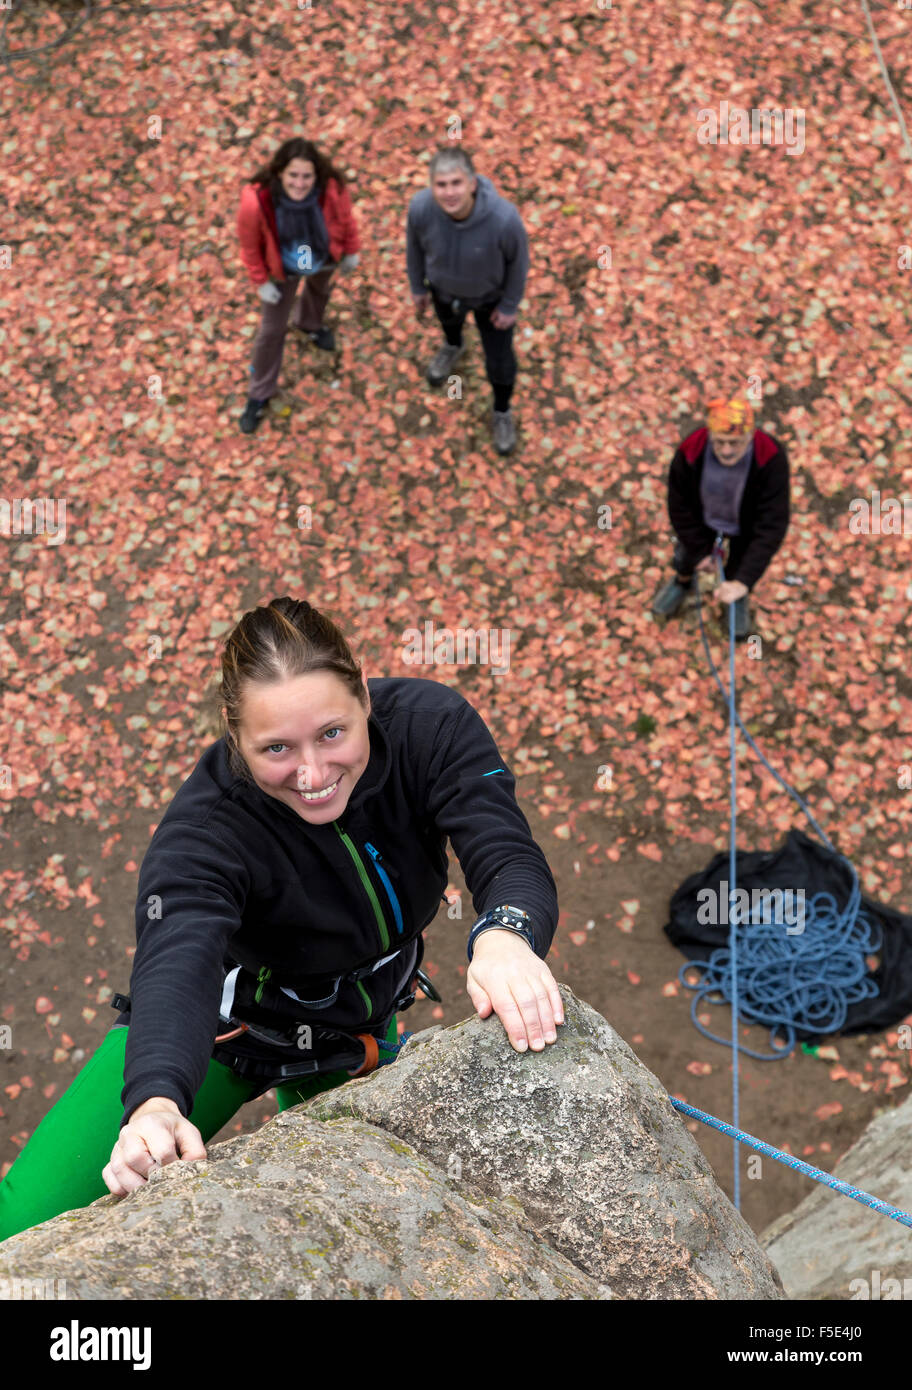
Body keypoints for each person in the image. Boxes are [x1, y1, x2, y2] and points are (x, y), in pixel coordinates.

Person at [0, 597, 562, 1241]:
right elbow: (177, 963)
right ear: (234, 738)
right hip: (221, 1033)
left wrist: (506, 936)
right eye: (276, 749)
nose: (314, 774)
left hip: (355, 1027)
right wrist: (155, 1100)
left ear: (364, 697)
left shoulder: (429, 729)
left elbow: (506, 852)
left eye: (332, 733)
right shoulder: (208, 830)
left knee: (357, 1230)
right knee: (20, 1222)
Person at [407, 146, 529, 456]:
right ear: (432, 185)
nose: (449, 193)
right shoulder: (421, 208)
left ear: (473, 183)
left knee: (500, 363)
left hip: (491, 300)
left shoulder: (504, 219)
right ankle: (453, 345)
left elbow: (519, 263)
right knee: (449, 323)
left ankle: (502, 410)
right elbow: (414, 247)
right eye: (441, 184)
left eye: (456, 183)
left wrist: (509, 306)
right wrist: (417, 286)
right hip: (443, 291)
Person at [237, 138, 361, 434]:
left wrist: (351, 249)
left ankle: (309, 323)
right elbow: (249, 245)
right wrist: (260, 280)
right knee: (271, 330)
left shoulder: (330, 188)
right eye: (293, 175)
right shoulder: (257, 201)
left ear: (316, 175)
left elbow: (346, 219)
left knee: (319, 291)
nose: (300, 183)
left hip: (321, 255)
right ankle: (259, 392)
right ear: (280, 172)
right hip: (282, 267)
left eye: (307, 176)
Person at [651, 397, 790, 639]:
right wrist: (699, 552)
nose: (726, 450)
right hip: (701, 521)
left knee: (739, 566)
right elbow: (679, 505)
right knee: (685, 557)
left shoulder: (770, 458)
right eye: (719, 442)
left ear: (750, 437)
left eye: (734, 443)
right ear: (709, 436)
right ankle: (682, 583)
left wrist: (744, 581)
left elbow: (772, 524)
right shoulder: (690, 451)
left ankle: (737, 596)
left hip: (744, 527)